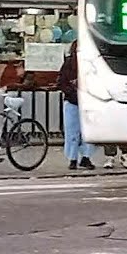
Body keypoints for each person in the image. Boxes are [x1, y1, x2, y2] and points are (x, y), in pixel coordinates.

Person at [55, 41, 95, 170]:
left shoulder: (70, 63)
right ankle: (78, 158)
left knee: (78, 132)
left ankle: (79, 158)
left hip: (75, 101)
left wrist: (70, 91)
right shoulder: (86, 64)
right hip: (80, 101)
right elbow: (61, 82)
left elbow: (61, 82)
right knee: (78, 131)